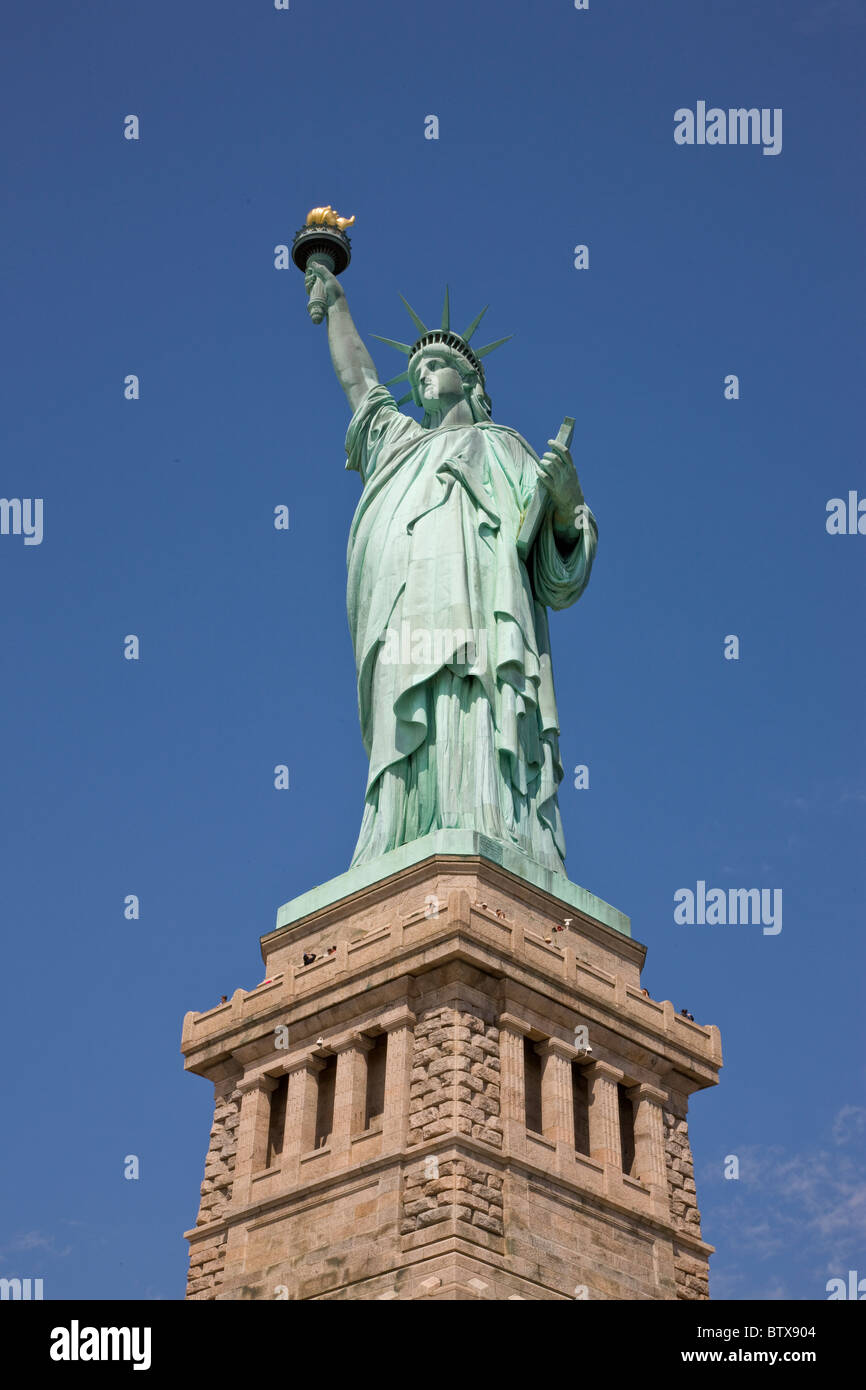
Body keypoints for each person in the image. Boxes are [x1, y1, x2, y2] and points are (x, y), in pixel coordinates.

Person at [304, 264, 597, 875]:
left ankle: (495, 825)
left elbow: (555, 571)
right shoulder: (399, 445)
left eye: (433, 366)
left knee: (477, 713)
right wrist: (336, 306)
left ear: (469, 380)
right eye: (414, 373)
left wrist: (567, 501)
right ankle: (400, 833)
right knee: (414, 721)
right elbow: (360, 382)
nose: (421, 376)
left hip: (487, 631)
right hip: (407, 619)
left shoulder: (505, 448)